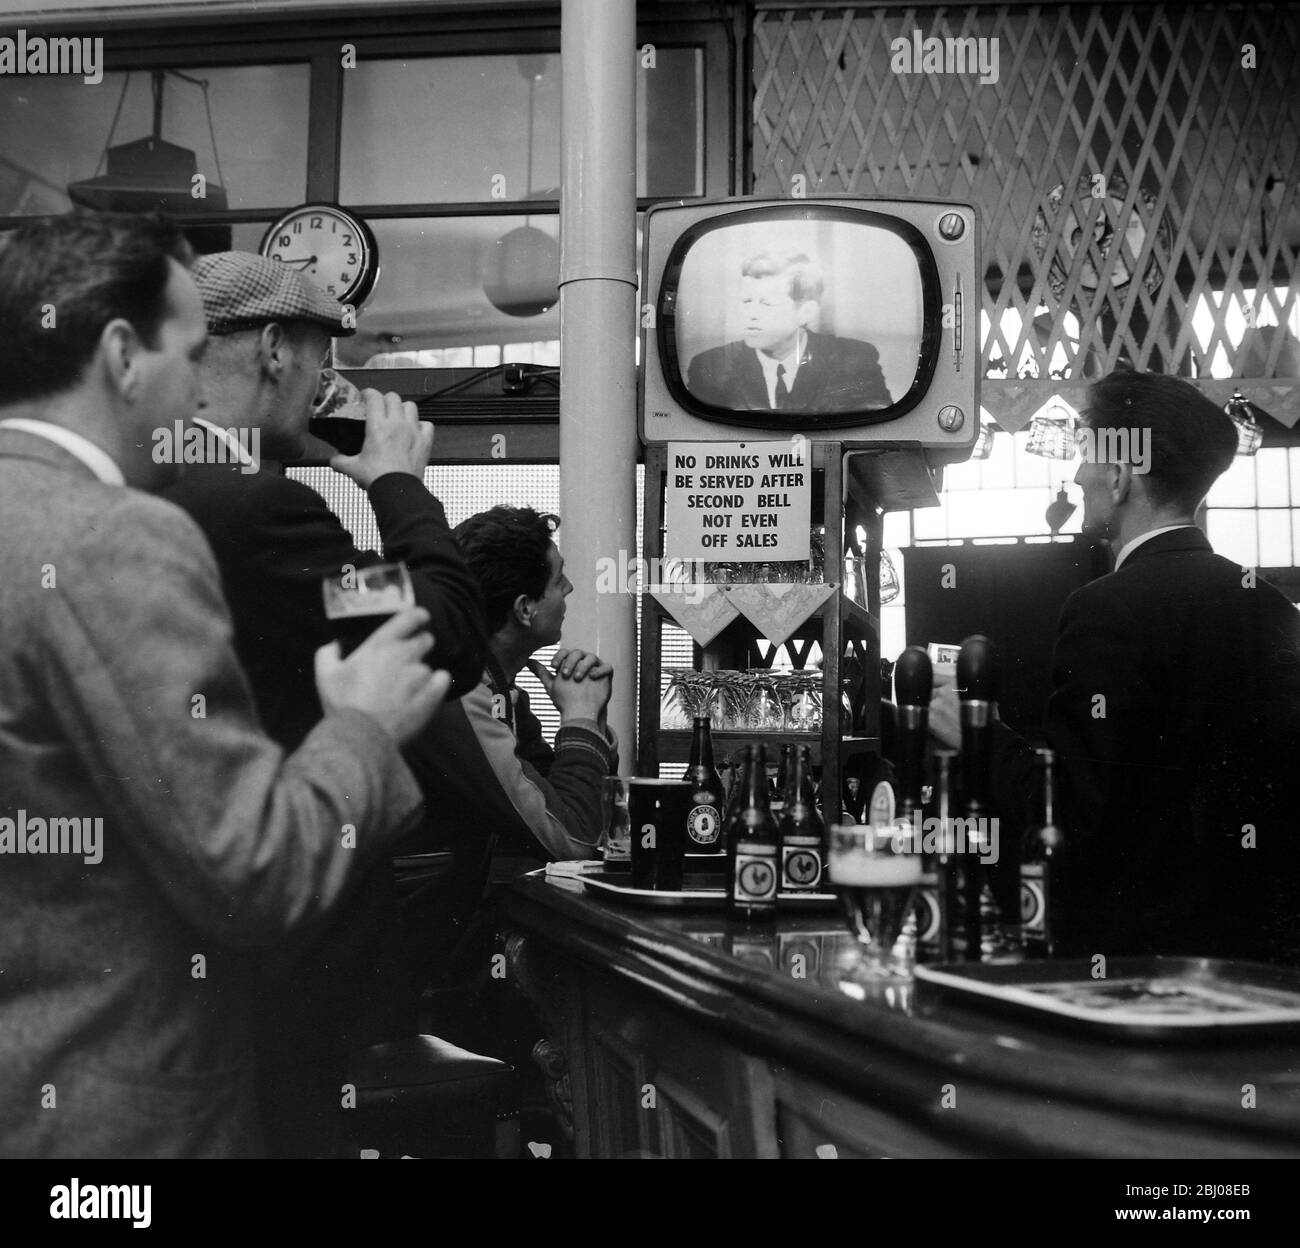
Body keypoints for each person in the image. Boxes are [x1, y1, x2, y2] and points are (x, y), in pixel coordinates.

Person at [0, 212, 449, 1159]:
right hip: (118, 1119)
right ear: (124, 355)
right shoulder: (135, 529)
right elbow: (251, 870)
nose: (195, 390)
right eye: (187, 352)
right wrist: (364, 723)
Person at [158, 249, 488, 1157]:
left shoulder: (150, 486)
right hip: (280, 945)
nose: (325, 385)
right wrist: (395, 479)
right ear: (273, 350)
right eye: (320, 360)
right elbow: (444, 630)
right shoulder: (259, 516)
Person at [929, 370, 1300, 965]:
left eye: (1085, 456)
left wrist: (974, 733)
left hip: (1131, 970)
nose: (1076, 476)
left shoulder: (1107, 607)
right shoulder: (1273, 608)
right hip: (1261, 969)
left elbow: (1074, 819)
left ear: (1121, 476)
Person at [395, 507, 617, 969]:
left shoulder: (499, 691)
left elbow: (561, 801)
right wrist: (580, 718)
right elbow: (573, 837)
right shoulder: (461, 691)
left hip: (439, 943)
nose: (570, 589)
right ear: (523, 608)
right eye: (559, 579)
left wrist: (588, 722)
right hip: (402, 963)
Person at [687, 249, 893, 413]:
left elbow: (878, 438)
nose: (750, 314)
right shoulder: (711, 368)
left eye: (766, 303)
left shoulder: (854, 361)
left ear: (806, 312)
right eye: (746, 301)